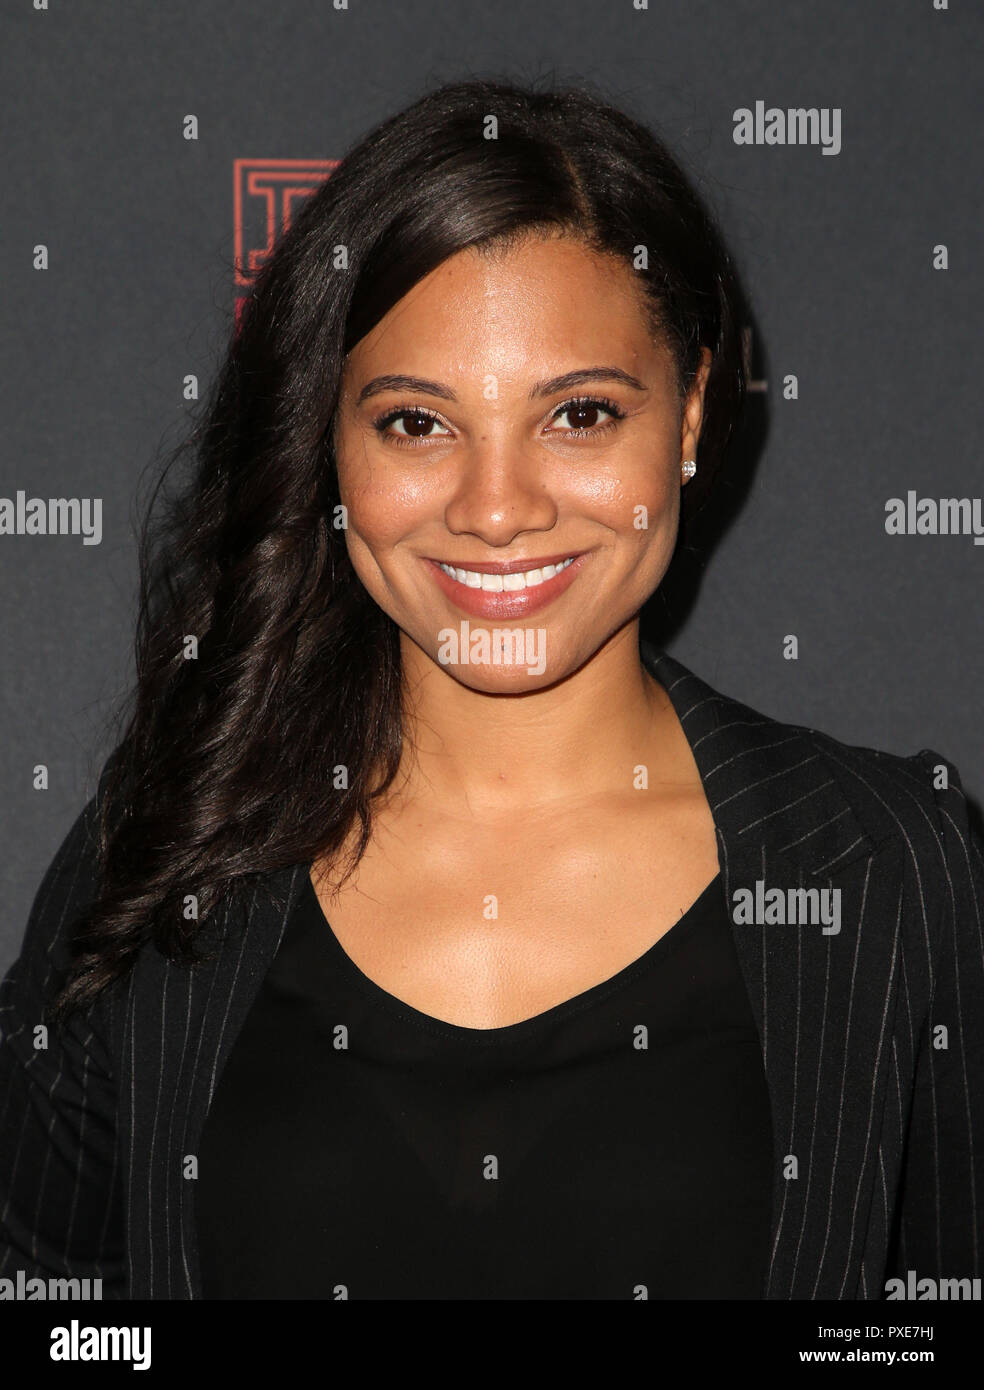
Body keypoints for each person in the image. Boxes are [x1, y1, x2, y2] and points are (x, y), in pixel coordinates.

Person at [1, 77, 981, 1302]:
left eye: (578, 413)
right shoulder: (168, 847)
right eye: (418, 424)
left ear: (688, 410)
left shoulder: (889, 870)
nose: (497, 508)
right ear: (329, 445)